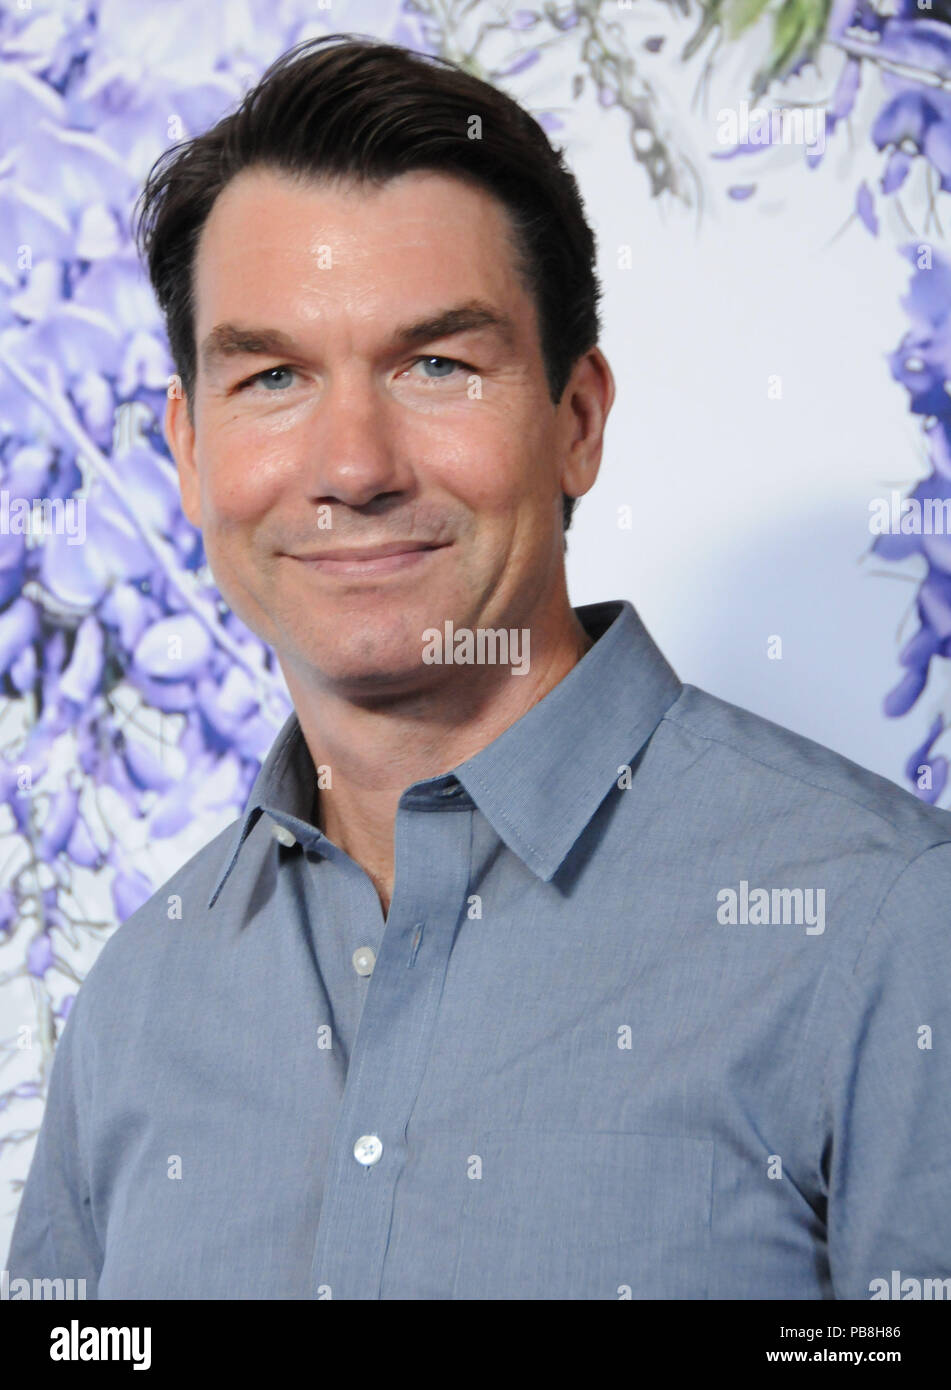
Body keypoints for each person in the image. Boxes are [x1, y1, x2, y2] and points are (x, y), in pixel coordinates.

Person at [7, 32, 951, 1301]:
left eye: (436, 364)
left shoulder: (889, 926)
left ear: (577, 419)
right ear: (187, 452)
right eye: (273, 374)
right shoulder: (137, 1006)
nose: (355, 464)